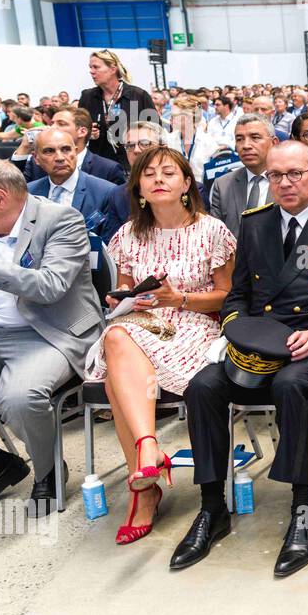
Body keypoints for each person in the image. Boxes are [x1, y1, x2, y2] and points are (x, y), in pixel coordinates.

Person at [171, 141, 308, 576]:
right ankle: (211, 506)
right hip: (261, 340)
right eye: (276, 175)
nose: (285, 183)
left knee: (291, 385)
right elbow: (238, 295)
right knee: (201, 386)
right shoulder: (254, 223)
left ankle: (302, 506)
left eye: (295, 173)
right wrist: (238, 331)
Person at [84, 147, 235, 544]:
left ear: (186, 184)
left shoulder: (212, 230)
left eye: (168, 173)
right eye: (148, 175)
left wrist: (179, 299)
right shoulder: (128, 234)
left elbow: (227, 296)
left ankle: (145, 488)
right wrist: (122, 299)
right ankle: (149, 449)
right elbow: (126, 294)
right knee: (117, 333)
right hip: (141, 323)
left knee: (119, 372)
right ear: (139, 189)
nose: (158, 179)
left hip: (193, 323)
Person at [0, 158, 103, 512]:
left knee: (20, 397)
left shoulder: (61, 221)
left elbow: (50, 286)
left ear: (0, 197)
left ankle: (48, 470)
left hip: (47, 335)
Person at [25, 128, 121, 240]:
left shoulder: (106, 192)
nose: (60, 158)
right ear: (36, 158)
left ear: (75, 152)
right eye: (49, 151)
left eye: (66, 149)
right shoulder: (28, 193)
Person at [77, 49, 157, 165]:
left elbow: (156, 130)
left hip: (134, 163)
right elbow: (78, 131)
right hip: (99, 166)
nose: (91, 72)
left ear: (113, 69)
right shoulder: (87, 97)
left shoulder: (138, 96)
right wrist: (88, 133)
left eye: (96, 67)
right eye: (90, 67)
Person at [12, 106, 126, 187]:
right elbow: (12, 188)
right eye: (52, 124)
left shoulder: (108, 169)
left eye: (61, 124)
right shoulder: (37, 163)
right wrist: (24, 147)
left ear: (82, 132)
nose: (52, 128)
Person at [209, 113, 277, 237]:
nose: (246, 146)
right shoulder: (223, 185)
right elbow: (215, 237)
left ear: (274, 143)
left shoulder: (291, 182)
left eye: (255, 137)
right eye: (239, 139)